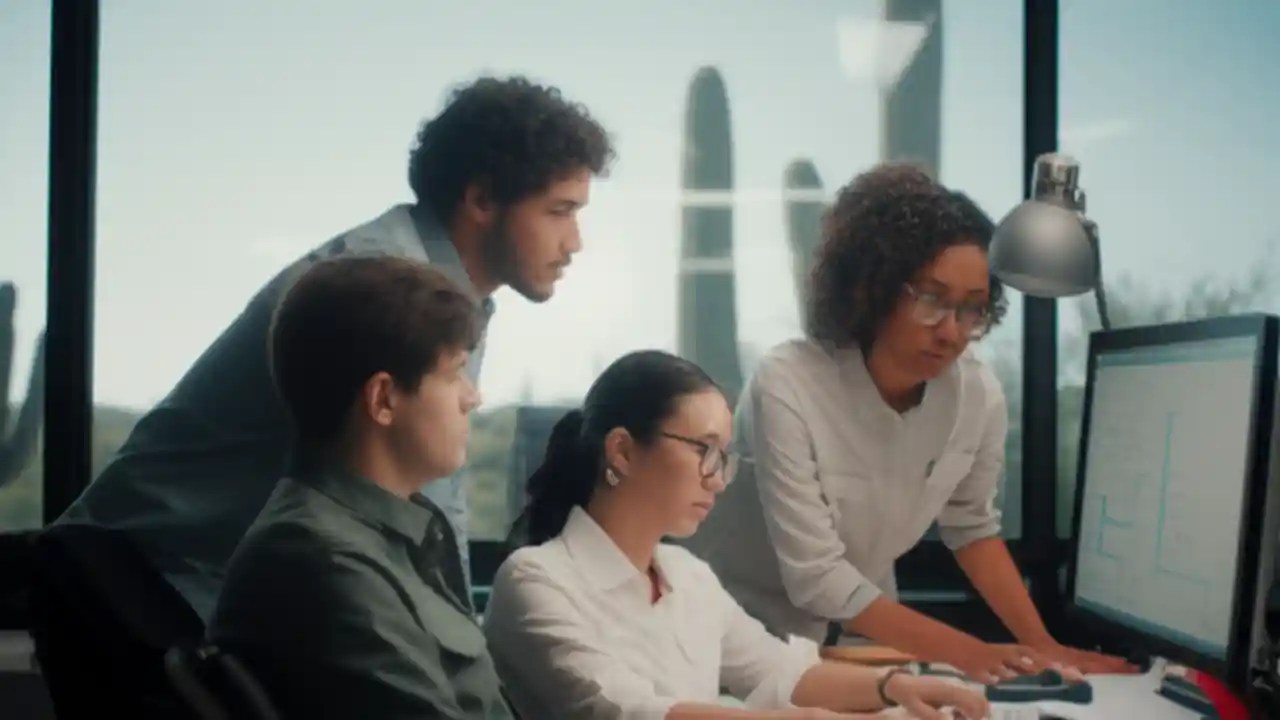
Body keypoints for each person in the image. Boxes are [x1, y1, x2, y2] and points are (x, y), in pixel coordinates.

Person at [56, 75, 614, 621]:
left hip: (186, 582)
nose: (575, 242)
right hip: (140, 583)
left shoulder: (434, 286)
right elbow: (425, 505)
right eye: (559, 211)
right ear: (482, 199)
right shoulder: (384, 288)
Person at [684, 164, 1134, 684]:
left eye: (972, 309)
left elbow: (972, 529)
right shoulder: (788, 382)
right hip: (739, 637)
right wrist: (973, 654)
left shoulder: (977, 396)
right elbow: (817, 577)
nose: (951, 332)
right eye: (931, 300)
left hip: (865, 640)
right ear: (873, 289)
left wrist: (1045, 647)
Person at [484, 350, 989, 720]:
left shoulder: (687, 575)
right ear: (623, 451)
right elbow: (627, 711)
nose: (718, 480)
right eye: (702, 450)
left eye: (723, 457)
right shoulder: (536, 580)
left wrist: (894, 688)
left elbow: (779, 672)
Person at [208, 255, 512, 719]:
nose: (473, 397)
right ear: (383, 399)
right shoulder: (323, 560)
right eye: (454, 374)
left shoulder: (392, 536)